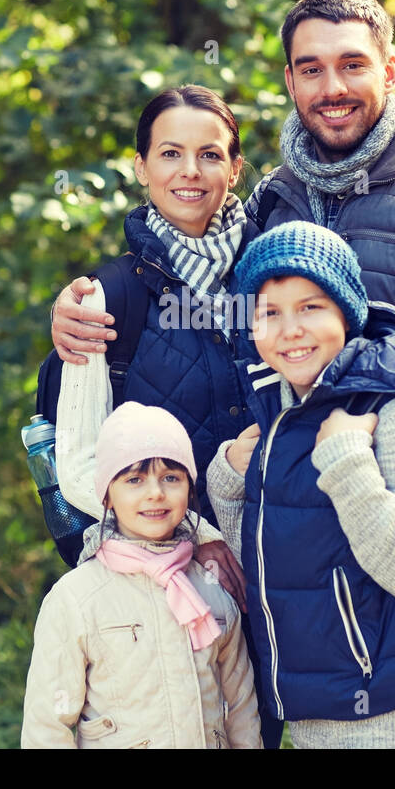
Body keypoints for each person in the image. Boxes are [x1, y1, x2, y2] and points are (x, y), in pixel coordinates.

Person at [51, 0, 395, 748]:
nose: (332, 88)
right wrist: (77, 309)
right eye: (311, 69)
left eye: (353, 65)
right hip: (303, 576)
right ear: (290, 82)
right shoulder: (272, 201)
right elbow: (188, 279)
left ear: (391, 71)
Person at [205, 221, 395, 748]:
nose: (290, 330)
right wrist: (230, 477)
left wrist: (346, 459)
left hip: (391, 711)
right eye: (269, 313)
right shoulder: (282, 418)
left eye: (311, 307)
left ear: (346, 313)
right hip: (309, 712)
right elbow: (272, 567)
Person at [51, 84, 259, 608]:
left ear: (234, 170)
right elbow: (80, 467)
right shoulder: (104, 298)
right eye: (170, 153)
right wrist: (200, 537)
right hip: (165, 585)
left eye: (210, 155)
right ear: (142, 167)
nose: (190, 170)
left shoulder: (278, 278)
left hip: (284, 573)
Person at [21, 402, 262, 749]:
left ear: (190, 490)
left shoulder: (211, 591)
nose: (155, 492)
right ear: (106, 495)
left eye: (171, 478)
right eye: (134, 479)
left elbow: (241, 708)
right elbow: (47, 726)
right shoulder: (75, 598)